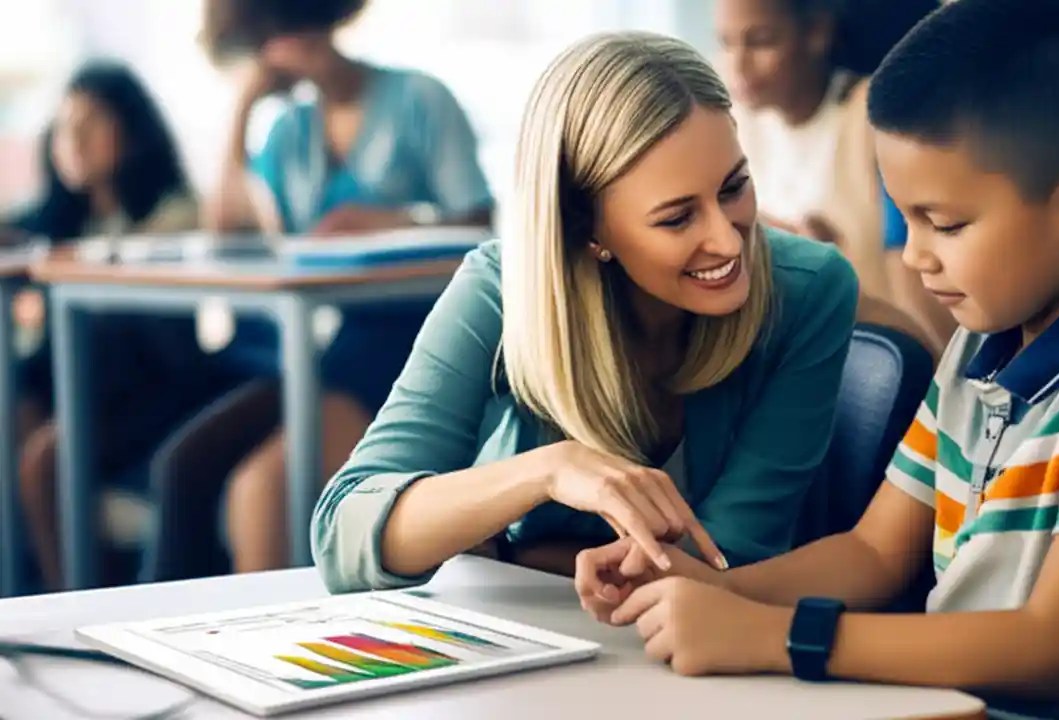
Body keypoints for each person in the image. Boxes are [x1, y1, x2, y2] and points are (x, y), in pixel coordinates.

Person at [575, 2, 1059, 717]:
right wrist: (706, 589)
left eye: (945, 223)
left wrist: (776, 636)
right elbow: (872, 554)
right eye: (905, 217)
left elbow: (1054, 650)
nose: (917, 256)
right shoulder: (974, 354)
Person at [310, 32, 859, 594]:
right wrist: (549, 471)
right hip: (528, 644)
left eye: (734, 187)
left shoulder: (809, 293)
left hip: (689, 653)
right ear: (587, 228)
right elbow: (344, 536)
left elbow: (728, 559)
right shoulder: (502, 289)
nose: (727, 240)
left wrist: (512, 551)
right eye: (676, 218)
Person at [184, 0, 494, 573]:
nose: (282, 47)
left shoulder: (419, 98)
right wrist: (244, 104)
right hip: (326, 344)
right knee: (188, 463)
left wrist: (398, 221)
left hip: (420, 336)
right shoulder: (291, 127)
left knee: (259, 491)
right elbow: (225, 227)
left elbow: (482, 225)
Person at [3, 62, 218, 590]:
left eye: (92, 122)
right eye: (65, 124)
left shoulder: (173, 213)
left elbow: (142, 321)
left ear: (133, 132)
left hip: (150, 389)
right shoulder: (57, 220)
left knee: (42, 461)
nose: (72, 138)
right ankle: (19, 590)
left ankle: (65, 600)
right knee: (14, 410)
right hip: (75, 386)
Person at [715, 0, 952, 354]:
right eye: (725, 43)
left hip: (880, 349)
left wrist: (825, 260)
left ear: (816, 32)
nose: (737, 65)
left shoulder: (878, 118)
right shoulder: (732, 121)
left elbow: (918, 289)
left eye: (761, 41)